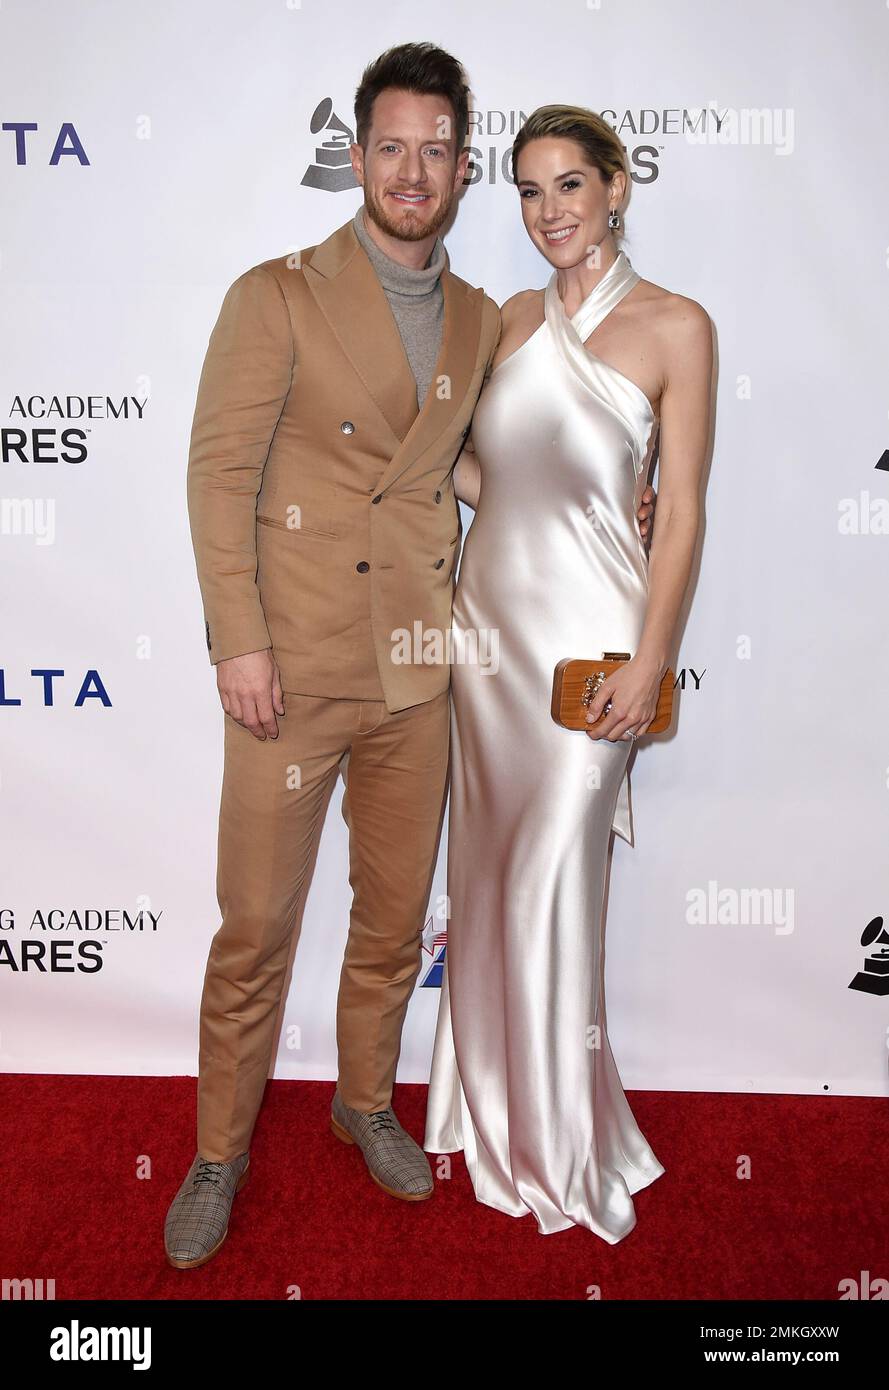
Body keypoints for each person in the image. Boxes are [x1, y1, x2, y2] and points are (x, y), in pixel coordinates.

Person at [165, 44, 656, 1270]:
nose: (413, 169)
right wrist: (238, 640)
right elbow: (219, 477)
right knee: (256, 928)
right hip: (291, 670)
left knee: (390, 924)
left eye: (438, 148)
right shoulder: (273, 294)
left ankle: (365, 1101)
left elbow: (502, 459)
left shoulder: (487, 321)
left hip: (422, 671)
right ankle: (218, 1150)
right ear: (358, 157)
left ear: (460, 165)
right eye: (391, 145)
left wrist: (605, 494)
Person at [424, 105, 712, 1241]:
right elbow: (465, 468)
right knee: (489, 876)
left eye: (570, 187)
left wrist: (653, 657)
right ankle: (483, 1101)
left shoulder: (676, 326)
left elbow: (681, 510)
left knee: (555, 878)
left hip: (594, 647)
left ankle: (558, 1138)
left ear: (617, 186)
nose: (550, 213)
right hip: (486, 638)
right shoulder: (502, 320)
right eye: (531, 193)